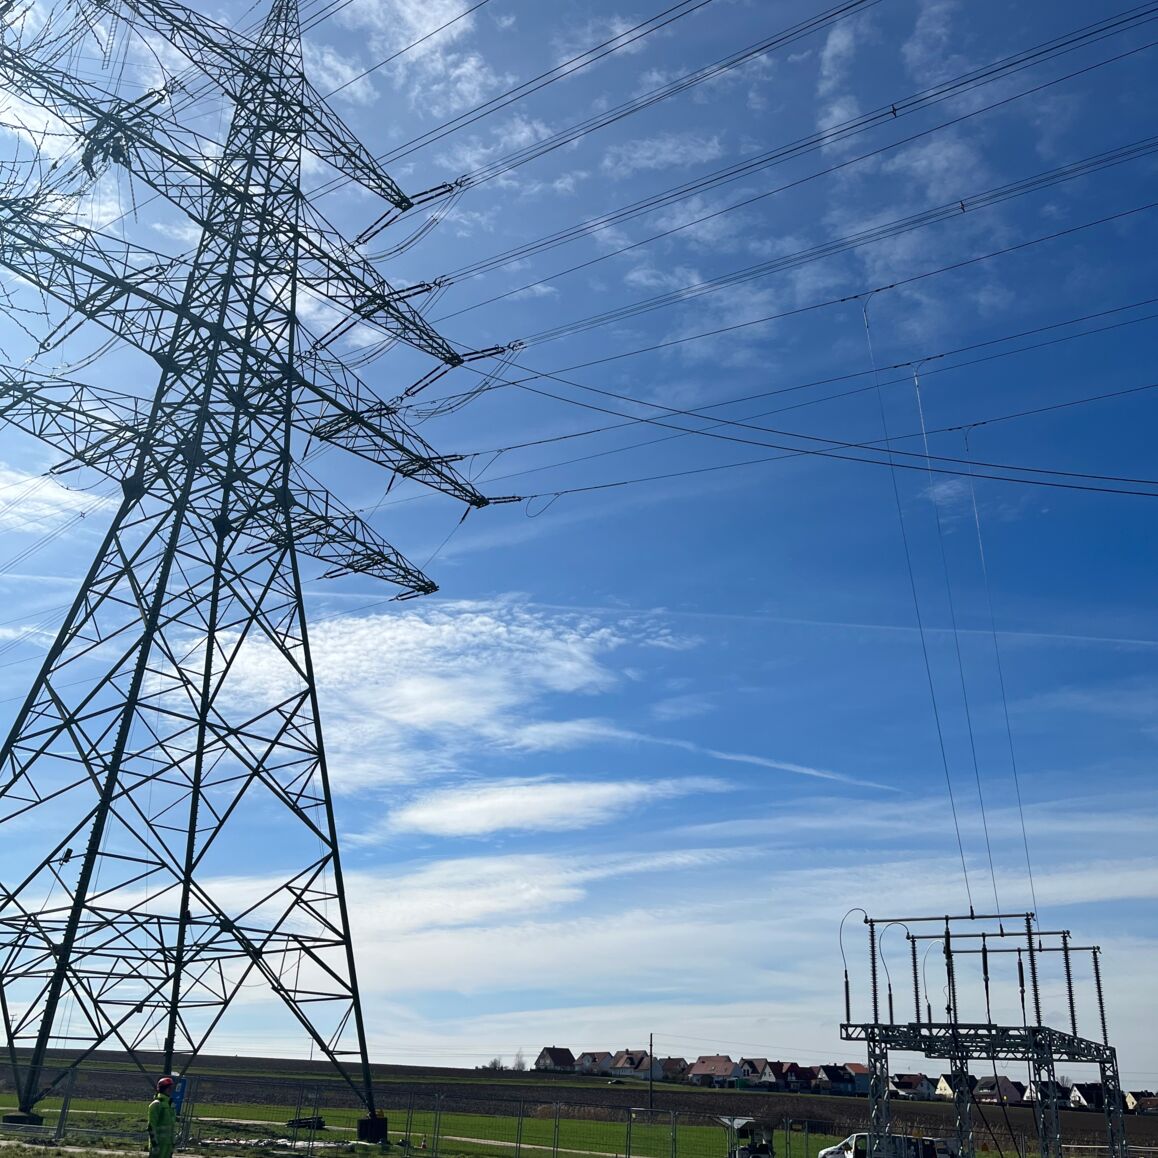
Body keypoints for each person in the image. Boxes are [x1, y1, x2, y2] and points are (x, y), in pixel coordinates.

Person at [148, 1076, 177, 1158]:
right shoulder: (156, 1104)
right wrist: (154, 1144)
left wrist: (173, 1142)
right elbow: (151, 1126)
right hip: (159, 1144)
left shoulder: (170, 1105)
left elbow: (171, 1126)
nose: (171, 1090)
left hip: (168, 1144)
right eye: (169, 1088)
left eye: (171, 1088)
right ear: (164, 1089)